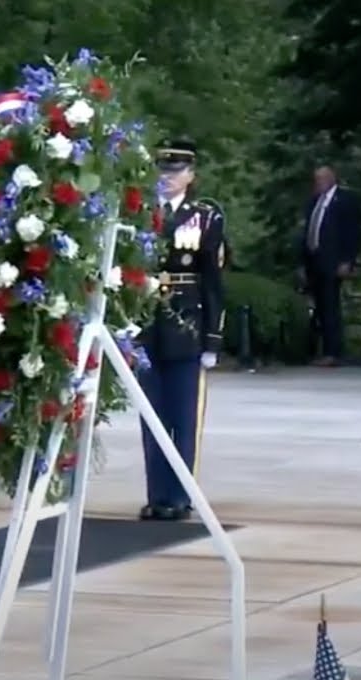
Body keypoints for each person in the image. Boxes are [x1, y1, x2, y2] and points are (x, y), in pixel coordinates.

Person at [136, 138, 226, 522]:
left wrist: (212, 339)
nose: (168, 179)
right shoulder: (139, 213)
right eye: (163, 171)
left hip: (186, 324)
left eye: (176, 172)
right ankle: (157, 495)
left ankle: (181, 495)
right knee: (151, 417)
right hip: (147, 324)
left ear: (191, 176)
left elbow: (212, 281)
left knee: (183, 417)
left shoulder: (205, 216)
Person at [299, 165, 360, 366]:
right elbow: (307, 230)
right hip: (314, 260)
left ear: (332, 178)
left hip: (332, 261)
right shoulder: (314, 201)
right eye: (316, 179)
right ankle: (320, 349)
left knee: (330, 305)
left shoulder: (344, 200)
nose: (318, 183)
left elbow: (352, 232)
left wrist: (347, 261)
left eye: (322, 179)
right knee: (319, 307)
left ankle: (333, 352)